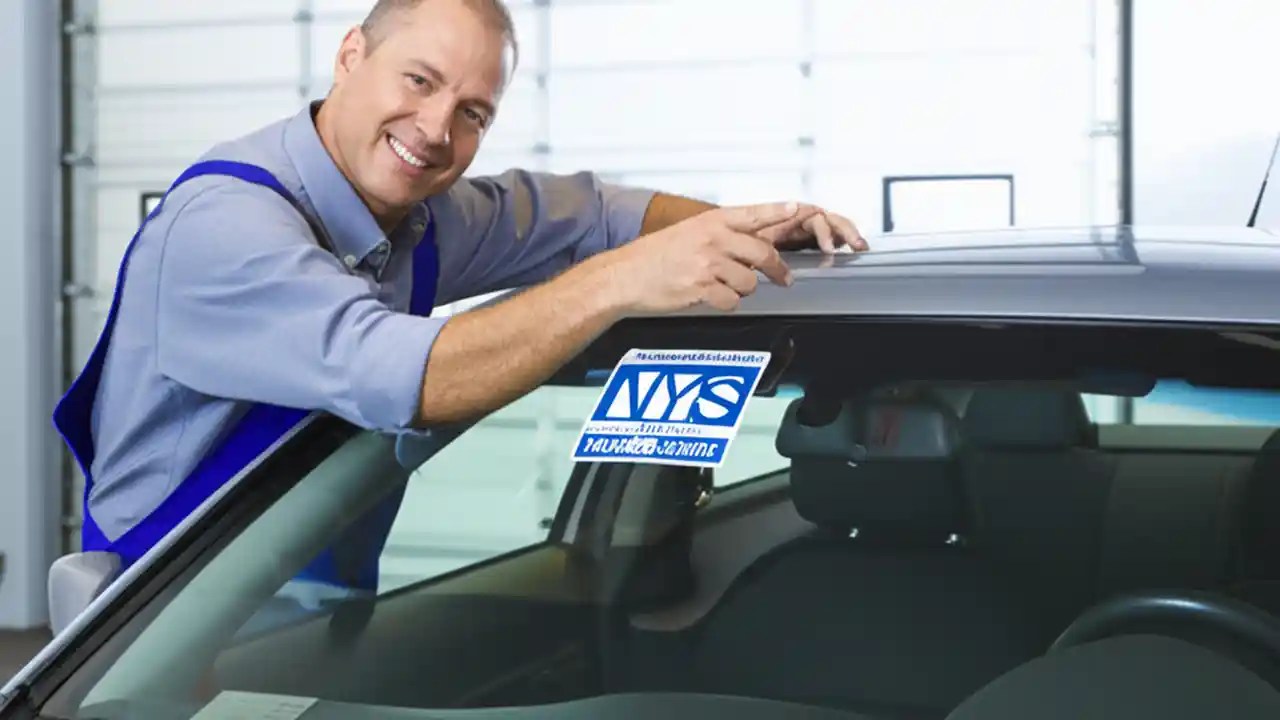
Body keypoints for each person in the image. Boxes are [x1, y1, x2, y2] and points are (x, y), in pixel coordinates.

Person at [53, 0, 866, 596]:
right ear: (348, 57)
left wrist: (747, 230)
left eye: (473, 111)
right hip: (159, 639)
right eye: (419, 79)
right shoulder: (224, 230)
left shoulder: (417, 216)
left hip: (307, 619)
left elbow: (588, 214)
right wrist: (627, 280)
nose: (438, 130)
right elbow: (404, 378)